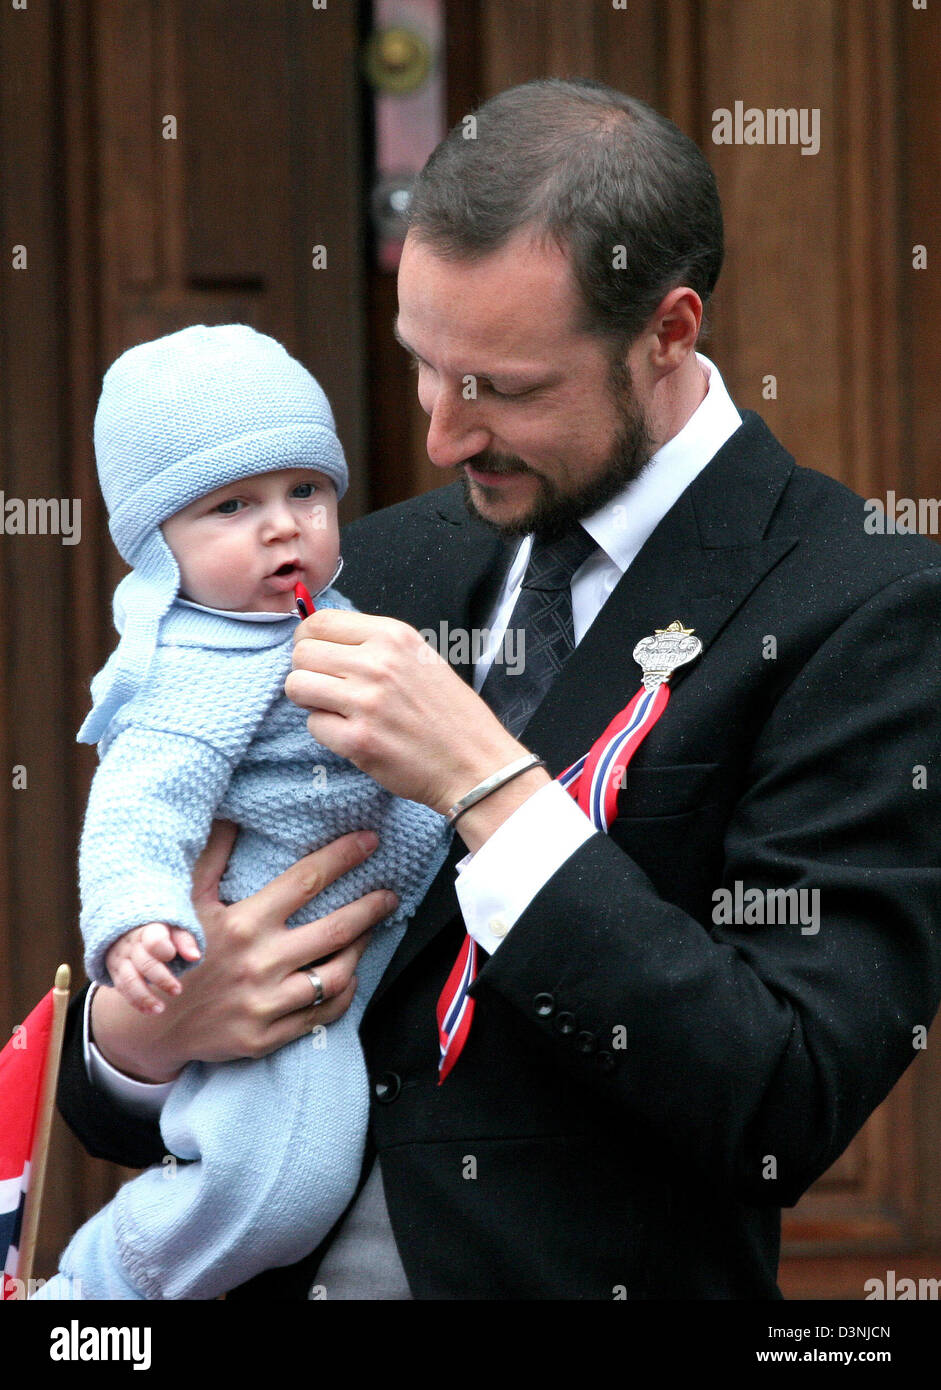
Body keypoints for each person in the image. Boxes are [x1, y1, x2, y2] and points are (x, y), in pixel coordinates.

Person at [56, 79, 941, 1299]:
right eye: (425, 367)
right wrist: (149, 1035)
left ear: (669, 331)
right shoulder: (366, 559)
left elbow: (781, 1101)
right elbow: (113, 1099)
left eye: (506, 390)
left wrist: (483, 782)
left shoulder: (863, 602)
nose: (439, 436)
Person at [32, 325, 448, 1300]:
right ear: (157, 544)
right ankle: (98, 1294)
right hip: (283, 972)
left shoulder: (333, 611)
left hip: (375, 937)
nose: (282, 527)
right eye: (232, 505)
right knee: (285, 1181)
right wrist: (137, 919)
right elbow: (140, 801)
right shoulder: (197, 665)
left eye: (306, 490)